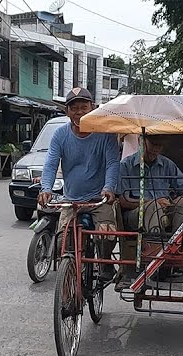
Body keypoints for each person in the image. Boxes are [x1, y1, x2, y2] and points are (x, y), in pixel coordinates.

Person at [38, 88, 121, 279]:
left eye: (84, 107)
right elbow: (51, 164)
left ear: (93, 108)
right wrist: (46, 189)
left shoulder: (106, 134)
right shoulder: (60, 135)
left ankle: (105, 264)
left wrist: (109, 188)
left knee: (107, 234)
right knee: (62, 242)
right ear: (67, 111)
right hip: (71, 200)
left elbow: (112, 163)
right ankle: (71, 275)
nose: (79, 112)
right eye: (73, 108)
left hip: (98, 200)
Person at [116, 136, 183, 234]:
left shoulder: (167, 164)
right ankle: (155, 245)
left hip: (166, 210)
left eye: (159, 146)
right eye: (153, 144)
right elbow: (123, 201)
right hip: (136, 214)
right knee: (153, 208)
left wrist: (182, 199)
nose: (156, 149)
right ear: (141, 141)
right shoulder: (125, 166)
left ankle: (178, 242)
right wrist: (153, 202)